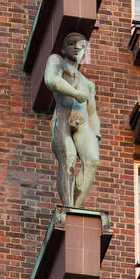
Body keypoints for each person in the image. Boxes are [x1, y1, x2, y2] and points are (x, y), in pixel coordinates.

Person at [44, 32, 99, 208]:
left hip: (83, 124)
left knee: (92, 160)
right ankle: (68, 208)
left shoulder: (89, 84)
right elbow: (51, 79)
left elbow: (92, 113)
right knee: (68, 159)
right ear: (63, 48)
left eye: (81, 45)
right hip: (64, 116)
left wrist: (96, 134)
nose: (76, 47)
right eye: (72, 43)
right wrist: (75, 93)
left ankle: (75, 208)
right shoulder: (57, 61)